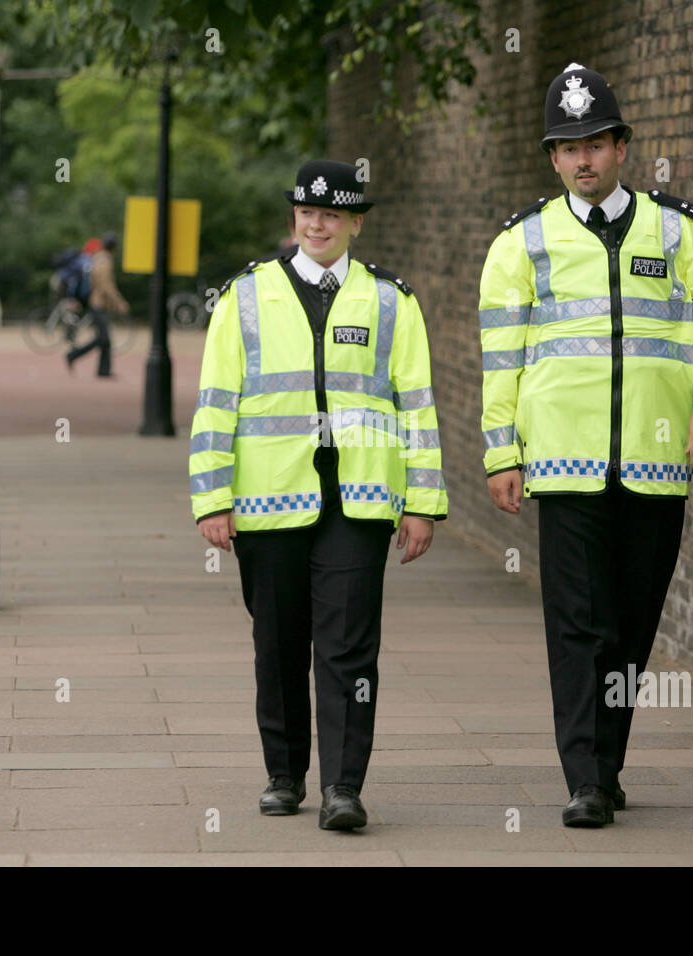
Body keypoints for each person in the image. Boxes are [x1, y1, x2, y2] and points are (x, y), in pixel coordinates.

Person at [478, 64, 693, 828]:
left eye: (596, 142)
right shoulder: (522, 242)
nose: (584, 159)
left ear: (623, 147)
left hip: (658, 465)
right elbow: (500, 358)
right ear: (552, 159)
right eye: (569, 148)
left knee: (631, 626)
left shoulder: (682, 229)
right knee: (578, 625)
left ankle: (608, 763)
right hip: (563, 464)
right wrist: (503, 452)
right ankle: (586, 779)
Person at [190, 160, 448, 830]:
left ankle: (343, 786)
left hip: (359, 502)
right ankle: (283, 773)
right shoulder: (244, 297)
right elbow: (215, 404)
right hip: (267, 498)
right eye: (307, 212)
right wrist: (211, 496)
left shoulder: (393, 301)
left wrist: (421, 501)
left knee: (349, 646)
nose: (318, 223)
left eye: (332, 214)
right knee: (277, 642)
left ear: (355, 223)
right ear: (293, 220)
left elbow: (417, 406)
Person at [65, 232, 126, 377]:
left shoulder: (98, 258)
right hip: (99, 304)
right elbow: (105, 284)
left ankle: (103, 370)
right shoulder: (104, 261)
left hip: (97, 302)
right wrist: (119, 302)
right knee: (103, 338)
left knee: (105, 339)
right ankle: (74, 355)